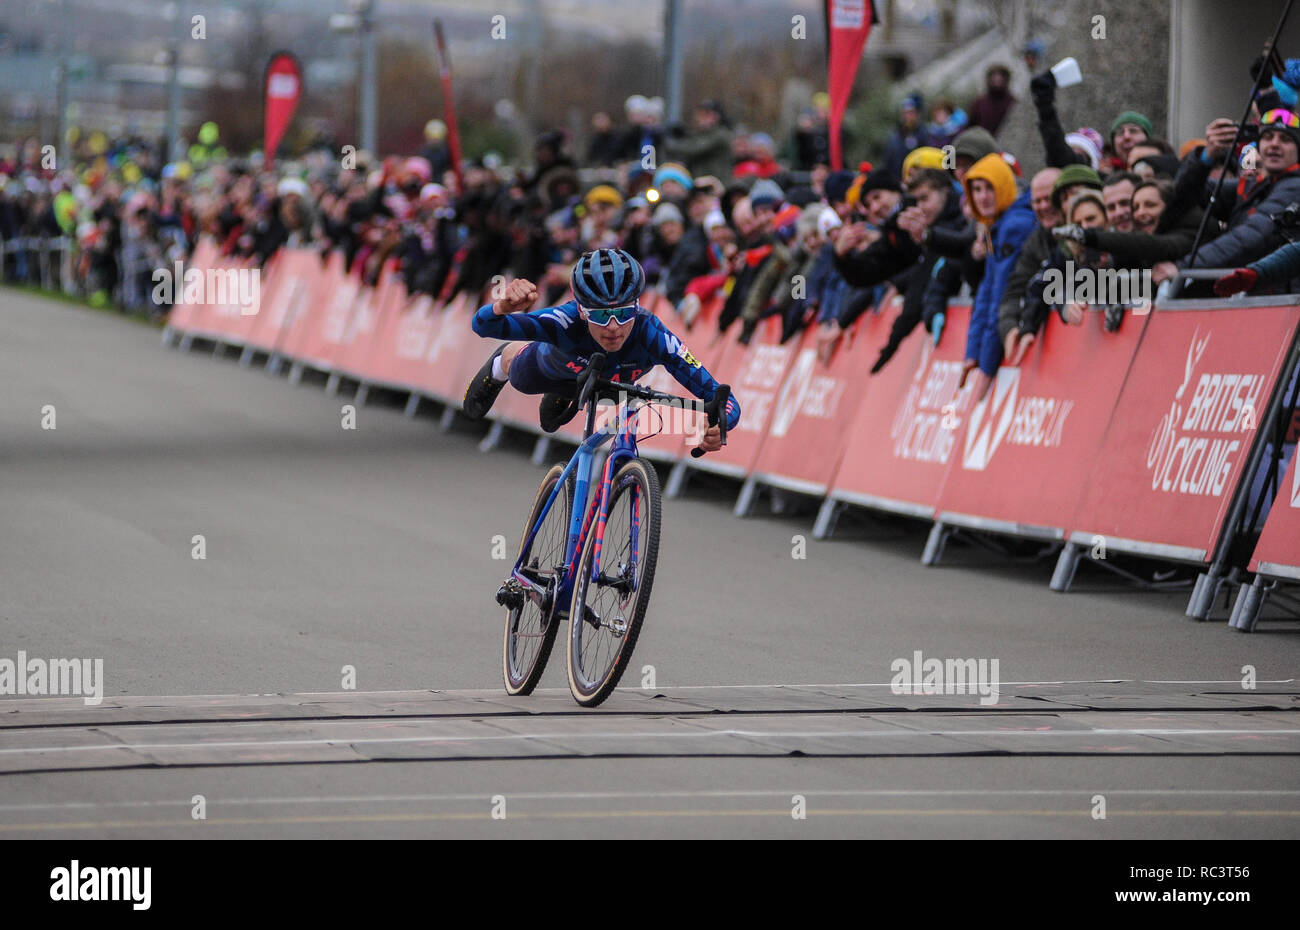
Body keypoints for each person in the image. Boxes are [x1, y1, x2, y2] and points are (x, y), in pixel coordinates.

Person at [462, 248, 740, 444]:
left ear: (637, 305)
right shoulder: (564, 320)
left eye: (623, 313)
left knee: (557, 422)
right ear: (581, 311)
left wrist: (721, 424)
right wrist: (503, 306)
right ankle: (501, 363)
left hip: (610, 385)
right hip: (549, 370)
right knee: (522, 378)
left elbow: (721, 398)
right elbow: (483, 326)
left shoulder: (652, 333)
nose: (613, 327)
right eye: (600, 315)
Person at [968, 65, 1017, 137]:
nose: (997, 79)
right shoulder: (979, 103)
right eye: (994, 77)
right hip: (984, 142)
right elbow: (971, 126)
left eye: (1000, 76)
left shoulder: (1013, 103)